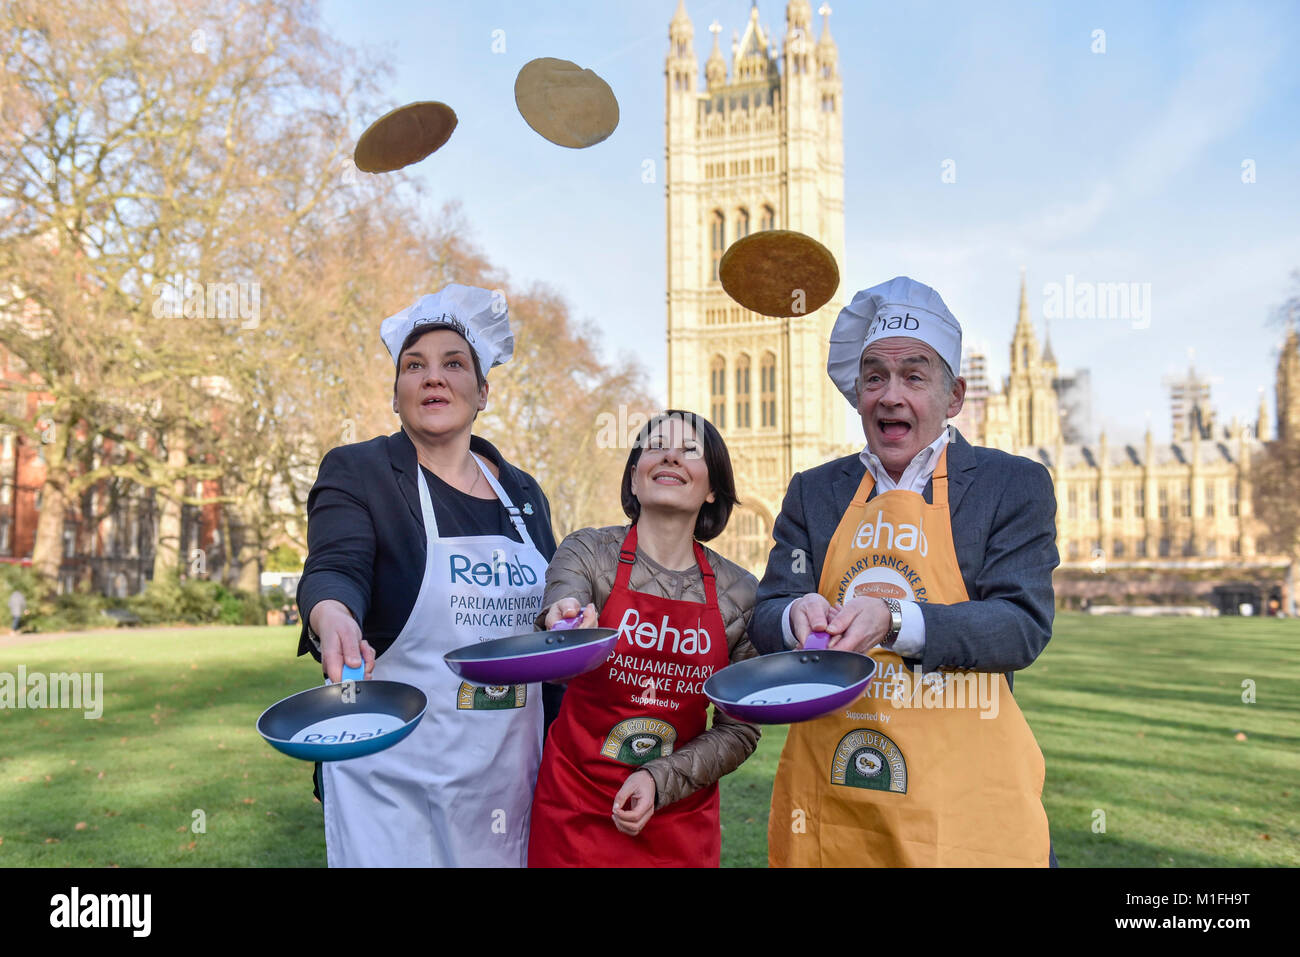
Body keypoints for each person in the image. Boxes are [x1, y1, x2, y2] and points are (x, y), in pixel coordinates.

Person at [750, 276, 1059, 867]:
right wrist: (795, 614)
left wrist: (893, 621)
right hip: (836, 790)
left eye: (914, 377)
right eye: (875, 377)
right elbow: (767, 612)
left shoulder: (1011, 485)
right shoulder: (814, 492)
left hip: (962, 800)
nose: (891, 395)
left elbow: (1020, 626)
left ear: (955, 396)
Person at [295, 283, 558, 867]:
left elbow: (552, 611)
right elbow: (335, 566)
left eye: (453, 364)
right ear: (397, 396)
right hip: (393, 779)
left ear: (482, 391)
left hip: (506, 777)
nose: (432, 377)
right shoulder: (361, 471)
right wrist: (331, 613)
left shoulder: (522, 494)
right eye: (414, 366)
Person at [527, 410, 760, 867]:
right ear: (634, 478)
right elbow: (561, 609)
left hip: (678, 824)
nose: (670, 454)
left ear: (712, 486)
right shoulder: (588, 553)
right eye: (655, 446)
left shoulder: (741, 593)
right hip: (575, 814)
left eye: (689, 450)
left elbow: (740, 728)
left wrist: (660, 779)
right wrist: (565, 627)